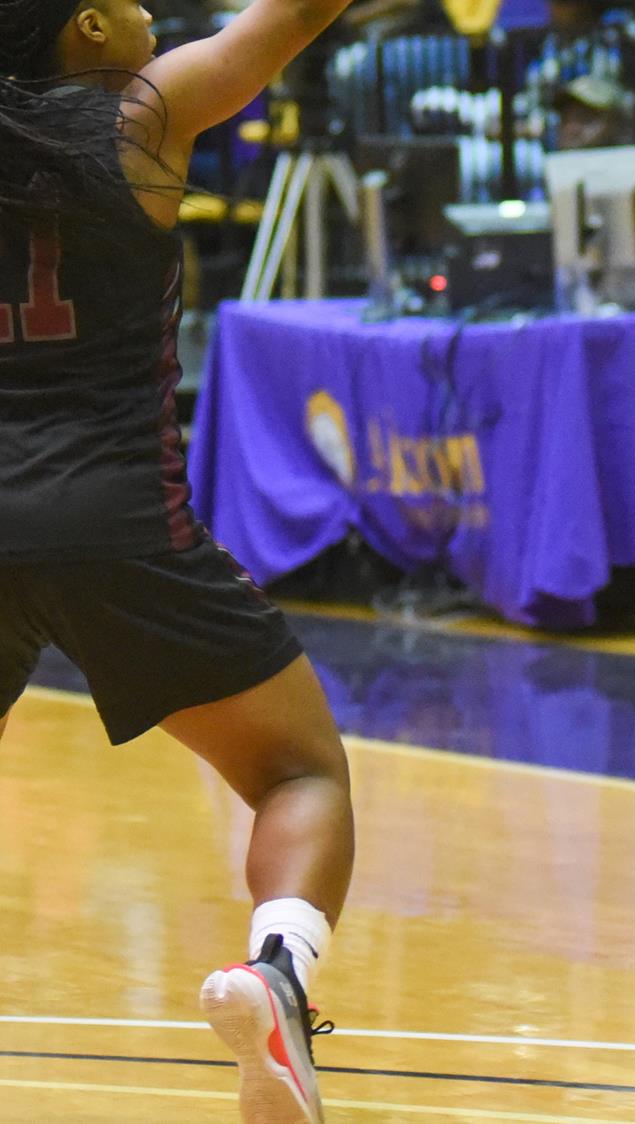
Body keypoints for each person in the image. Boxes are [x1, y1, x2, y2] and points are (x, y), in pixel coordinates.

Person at [0, 0, 358, 1119]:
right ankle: (277, 976)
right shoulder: (140, 119)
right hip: (117, 520)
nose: (158, 8)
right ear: (91, 28)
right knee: (298, 772)